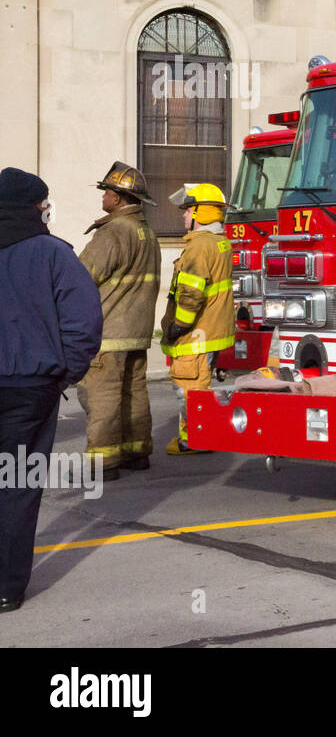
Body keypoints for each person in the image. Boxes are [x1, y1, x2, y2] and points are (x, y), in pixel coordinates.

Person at [0, 167, 102, 613]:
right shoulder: (54, 254)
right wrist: (65, 374)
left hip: (31, 382)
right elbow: (84, 323)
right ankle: (6, 588)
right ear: (37, 208)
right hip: (31, 386)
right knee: (17, 485)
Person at [76, 163, 162, 480]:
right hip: (137, 331)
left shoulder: (113, 232)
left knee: (103, 396)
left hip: (109, 331)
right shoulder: (147, 232)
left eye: (108, 191)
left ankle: (104, 463)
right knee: (134, 393)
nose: (104, 195)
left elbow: (81, 278)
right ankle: (137, 453)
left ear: (119, 197)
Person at [160, 183, 234, 455]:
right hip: (210, 329)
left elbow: (190, 293)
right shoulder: (218, 242)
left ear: (201, 213)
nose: (183, 215)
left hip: (196, 332)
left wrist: (178, 326)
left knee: (189, 387)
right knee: (197, 384)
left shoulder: (200, 246)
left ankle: (195, 439)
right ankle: (190, 437)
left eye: (188, 209)